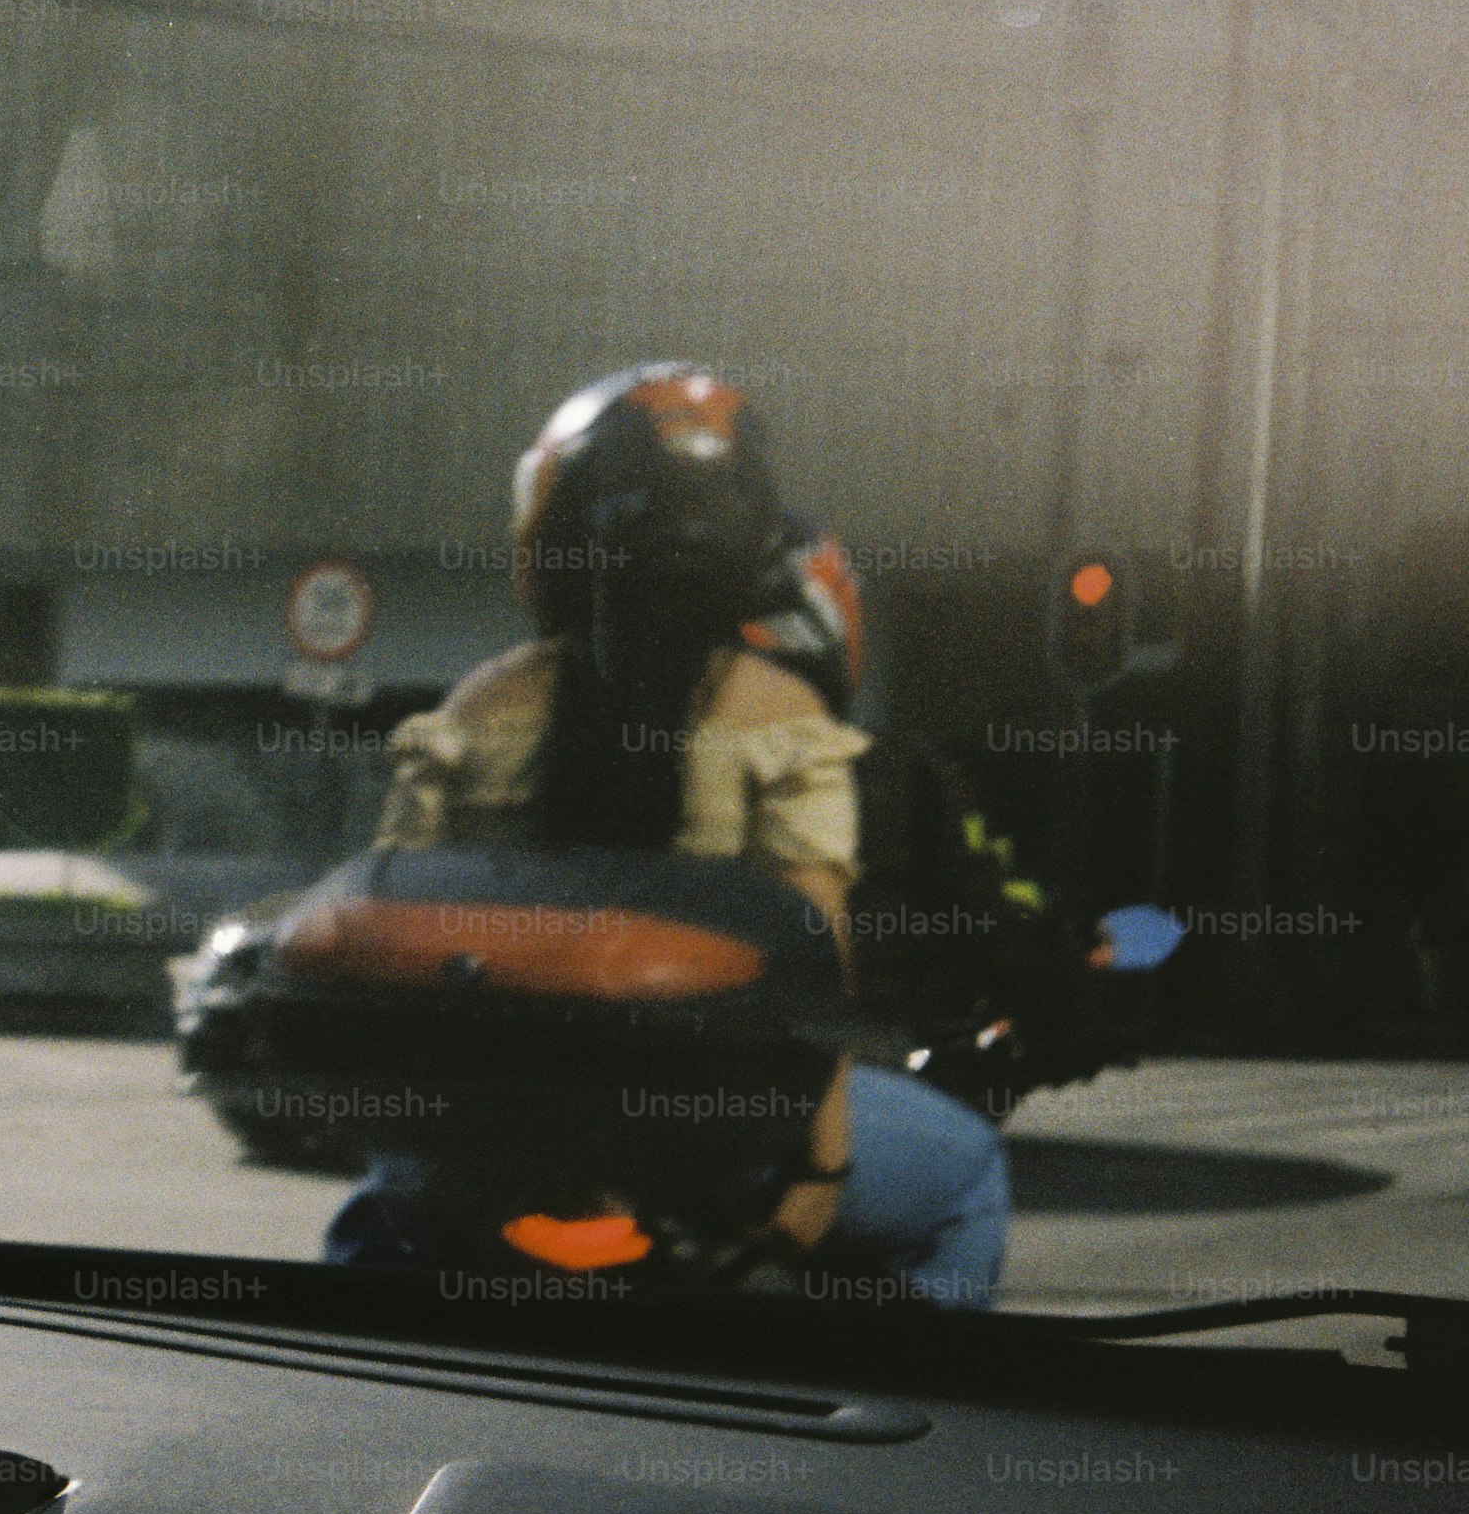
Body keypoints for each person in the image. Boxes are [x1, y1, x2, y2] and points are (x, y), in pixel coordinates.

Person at [323, 362, 1012, 1306]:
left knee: (369, 1240)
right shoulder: (782, 712)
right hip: (713, 1149)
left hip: (486, 1146)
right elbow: (817, 964)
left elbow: (393, 936)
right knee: (969, 1178)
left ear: (552, 527)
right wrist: (819, 1175)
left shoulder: (478, 703)